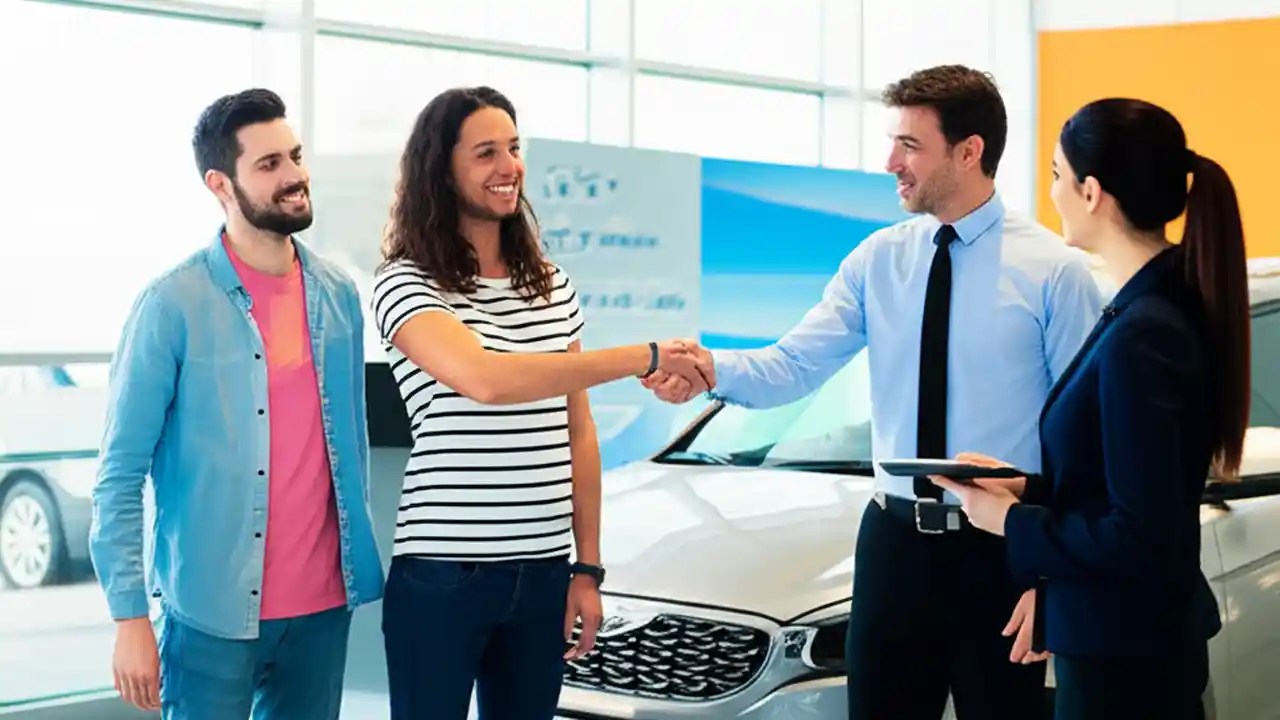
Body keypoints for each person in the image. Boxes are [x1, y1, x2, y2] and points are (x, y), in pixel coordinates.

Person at [644, 64, 1105, 720]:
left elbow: (1083, 438)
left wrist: (1050, 572)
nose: (890, 162)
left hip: (1001, 550)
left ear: (969, 152)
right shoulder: (877, 260)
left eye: (909, 145)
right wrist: (709, 368)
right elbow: (793, 365)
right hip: (894, 546)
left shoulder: (1055, 272)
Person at [369, 85, 708, 720]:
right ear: (441, 170)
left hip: (545, 572)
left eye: (515, 148)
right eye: (486, 153)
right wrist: (646, 355)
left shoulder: (551, 286)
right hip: (444, 571)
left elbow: (577, 431)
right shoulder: (404, 283)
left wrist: (588, 568)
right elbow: (487, 379)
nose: (509, 167)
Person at [932, 98, 1247, 720]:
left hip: (1125, 662)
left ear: (1092, 191)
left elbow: (1140, 535)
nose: (1050, 192)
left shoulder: (1144, 333)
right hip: (1123, 645)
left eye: (1055, 174)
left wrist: (1010, 524)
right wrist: (1028, 487)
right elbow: (1128, 487)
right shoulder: (1149, 309)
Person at [89, 88, 385, 719]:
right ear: (220, 184)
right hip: (209, 614)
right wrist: (129, 617)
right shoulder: (171, 304)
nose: (295, 176)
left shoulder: (336, 293)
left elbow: (346, 440)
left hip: (323, 607)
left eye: (296, 156)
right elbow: (118, 475)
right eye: (269, 164)